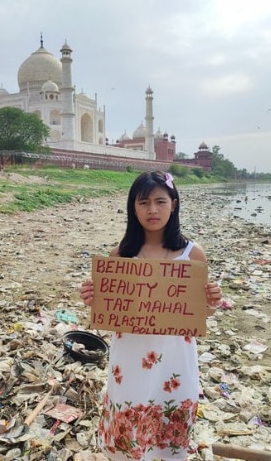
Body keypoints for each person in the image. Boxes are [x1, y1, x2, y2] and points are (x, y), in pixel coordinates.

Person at [79, 170, 222, 460]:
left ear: (174, 204)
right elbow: (108, 310)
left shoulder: (193, 255)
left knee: (169, 435)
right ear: (133, 207)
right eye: (144, 203)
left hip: (175, 362)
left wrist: (212, 302)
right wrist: (92, 299)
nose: (152, 210)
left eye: (160, 201)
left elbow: (199, 315)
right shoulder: (119, 256)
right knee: (127, 437)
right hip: (129, 360)